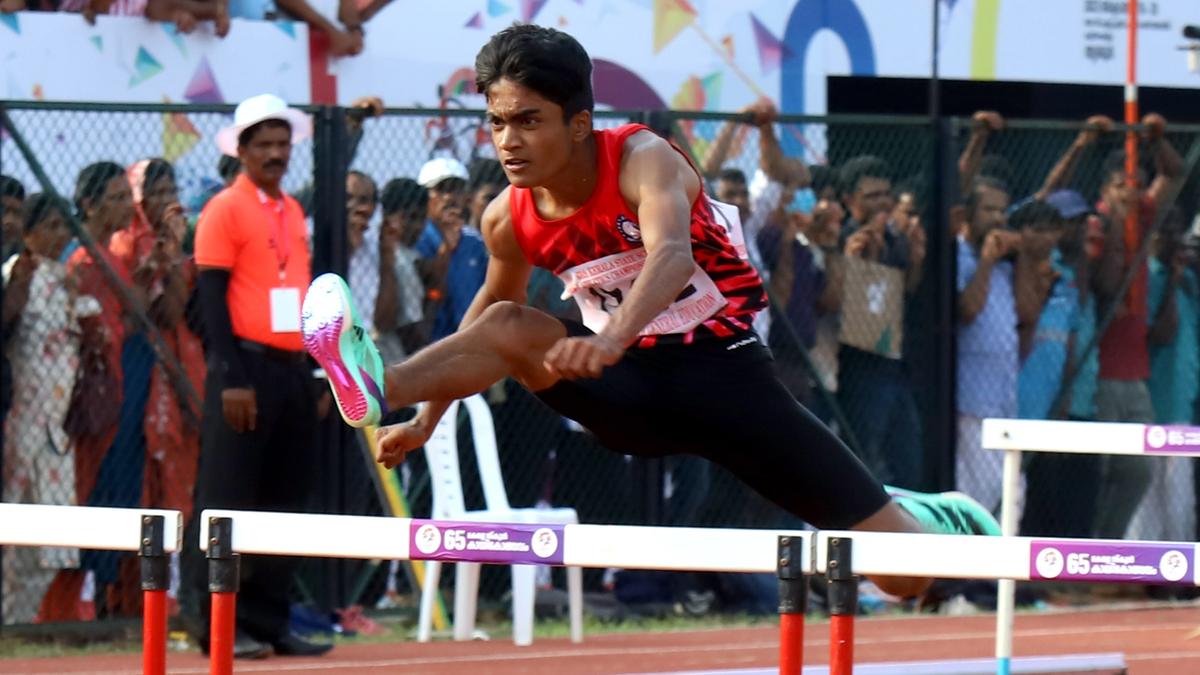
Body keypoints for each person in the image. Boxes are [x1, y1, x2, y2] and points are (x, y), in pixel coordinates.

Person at [302, 25, 999, 601]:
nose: (508, 141)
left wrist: (612, 338)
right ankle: (378, 382)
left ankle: (928, 512)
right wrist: (424, 417)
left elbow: (669, 257)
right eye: (496, 122)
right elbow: (488, 314)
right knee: (513, 324)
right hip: (628, 396)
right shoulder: (506, 217)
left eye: (528, 121)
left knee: (904, 576)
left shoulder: (643, 159)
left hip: (729, 382)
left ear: (579, 124)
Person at [186, 93, 331, 659]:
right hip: (244, 367)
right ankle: (212, 623)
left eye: (282, 144)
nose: (275, 153)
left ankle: (269, 620)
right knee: (225, 499)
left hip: (293, 369)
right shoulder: (224, 208)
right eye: (263, 145)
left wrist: (318, 373)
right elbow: (210, 302)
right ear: (241, 151)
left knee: (285, 500)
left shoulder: (291, 210)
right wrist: (230, 378)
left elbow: (305, 294)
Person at [1, 194, 89, 625]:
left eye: (64, 227)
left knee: (52, 539)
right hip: (20, 420)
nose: (59, 236)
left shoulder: (68, 280)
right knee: (12, 533)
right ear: (27, 232)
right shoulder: (14, 274)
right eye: (50, 226)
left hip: (57, 426)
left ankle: (21, 621)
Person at [953, 179, 1045, 515]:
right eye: (989, 210)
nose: (997, 219)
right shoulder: (960, 256)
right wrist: (987, 262)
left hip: (1004, 396)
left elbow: (1028, 312)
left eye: (1002, 211)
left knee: (1010, 490)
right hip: (970, 398)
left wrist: (1020, 257)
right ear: (969, 215)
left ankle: (990, 569)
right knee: (976, 493)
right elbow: (968, 309)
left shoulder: (1008, 267)